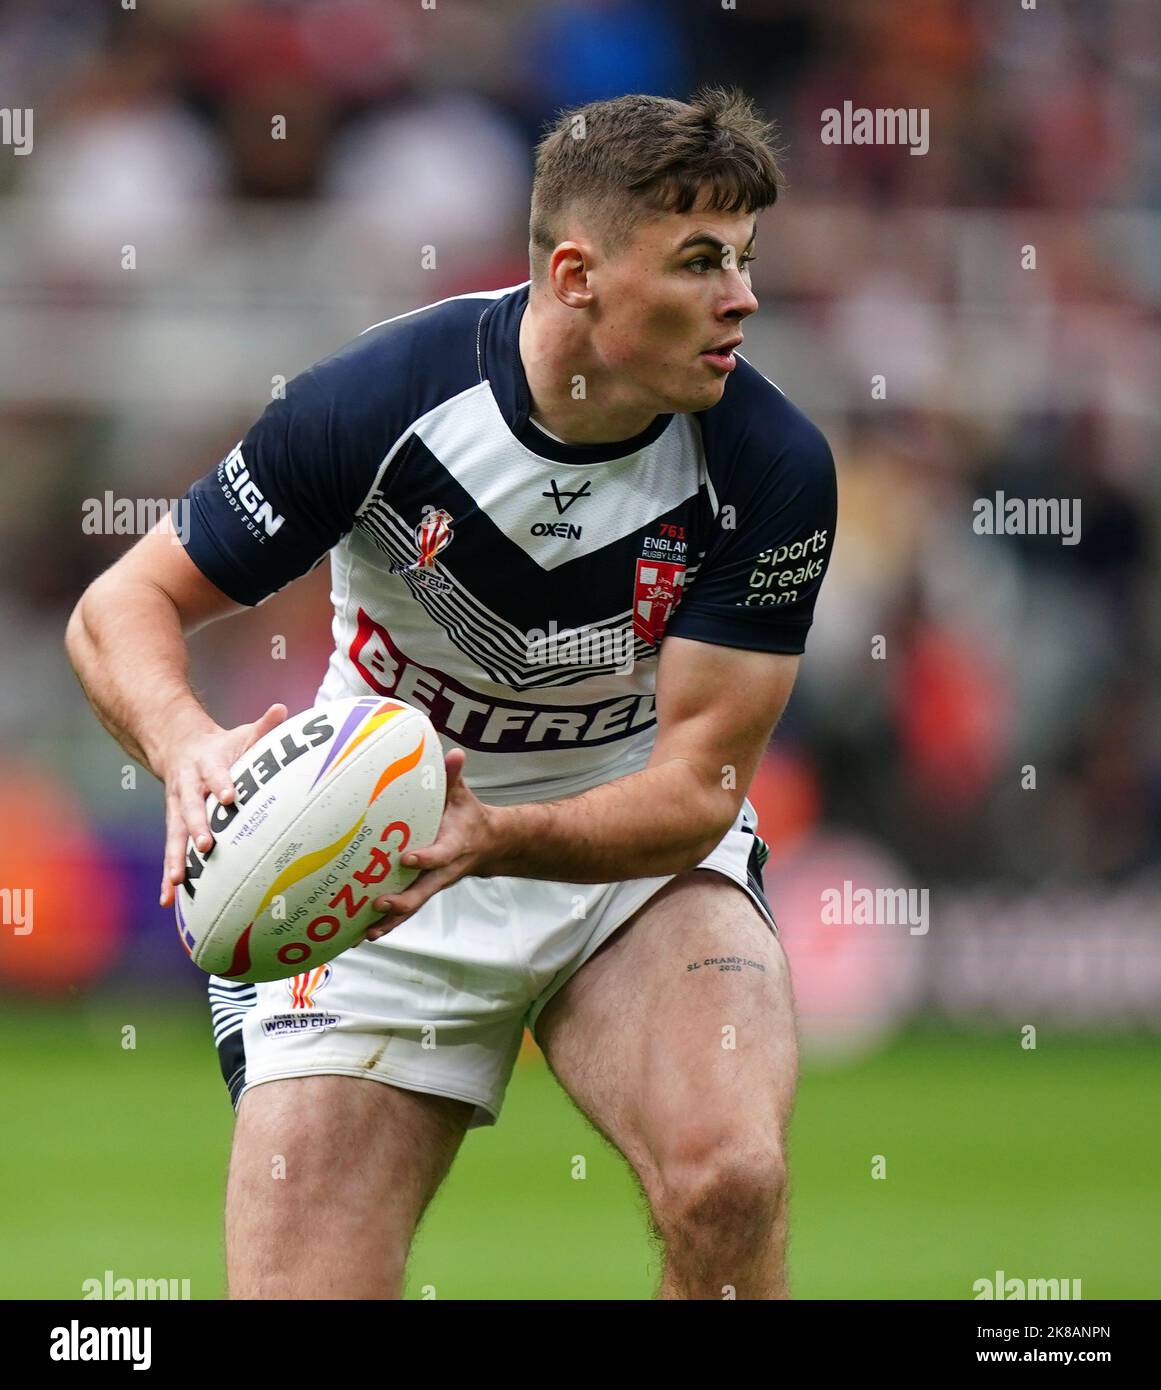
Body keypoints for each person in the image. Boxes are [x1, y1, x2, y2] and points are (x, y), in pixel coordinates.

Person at [66, 86, 837, 1300]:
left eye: (745, 259)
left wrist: (498, 835)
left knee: (729, 1177)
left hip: (628, 860)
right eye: (700, 262)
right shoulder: (376, 401)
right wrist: (185, 743)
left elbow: (700, 787)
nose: (741, 297)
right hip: (374, 865)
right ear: (577, 275)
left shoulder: (771, 465)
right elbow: (120, 605)